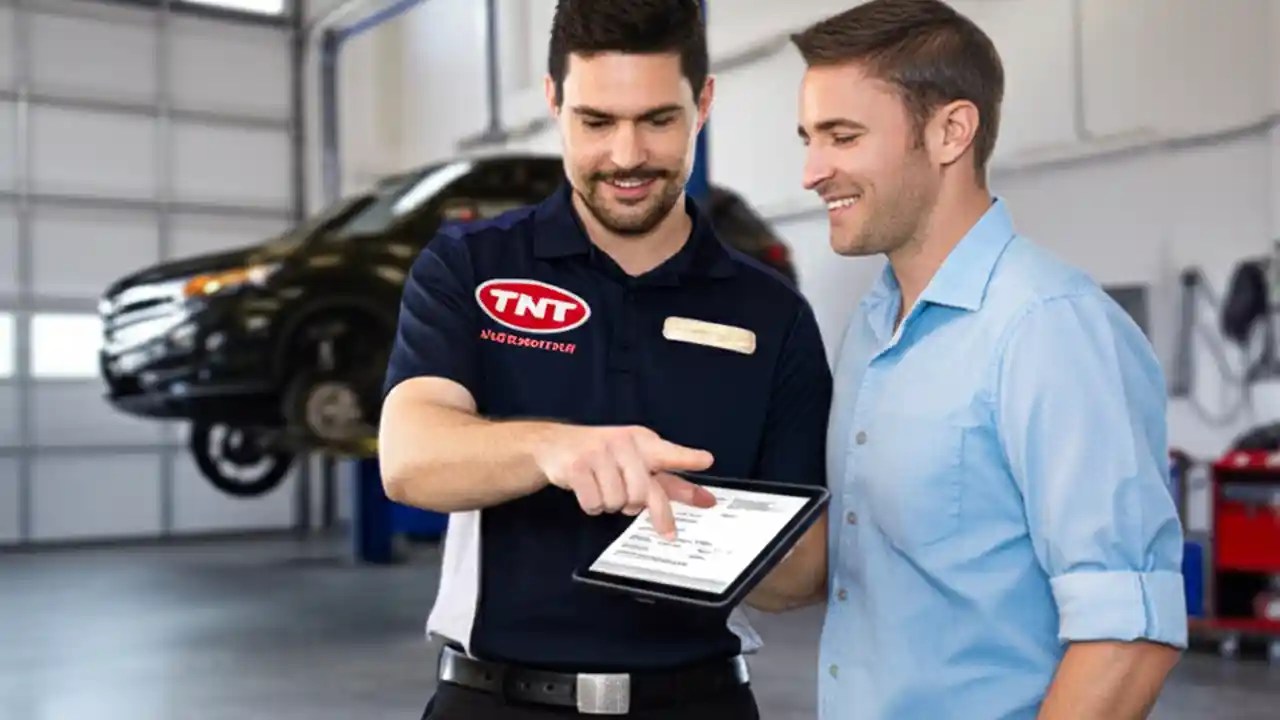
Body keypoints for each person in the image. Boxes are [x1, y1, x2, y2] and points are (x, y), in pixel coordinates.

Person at [376, 1, 832, 718]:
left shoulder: (772, 316)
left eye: (657, 120)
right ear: (553, 100)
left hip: (700, 702)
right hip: (495, 701)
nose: (626, 156)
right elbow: (409, 459)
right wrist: (556, 450)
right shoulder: (469, 266)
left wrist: (701, 523)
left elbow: (797, 579)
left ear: (702, 101)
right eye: (596, 122)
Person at [786, 1, 1188, 718]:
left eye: (842, 136)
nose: (814, 171)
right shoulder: (873, 329)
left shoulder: (1048, 330)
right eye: (809, 139)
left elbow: (1126, 634)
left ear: (950, 131)